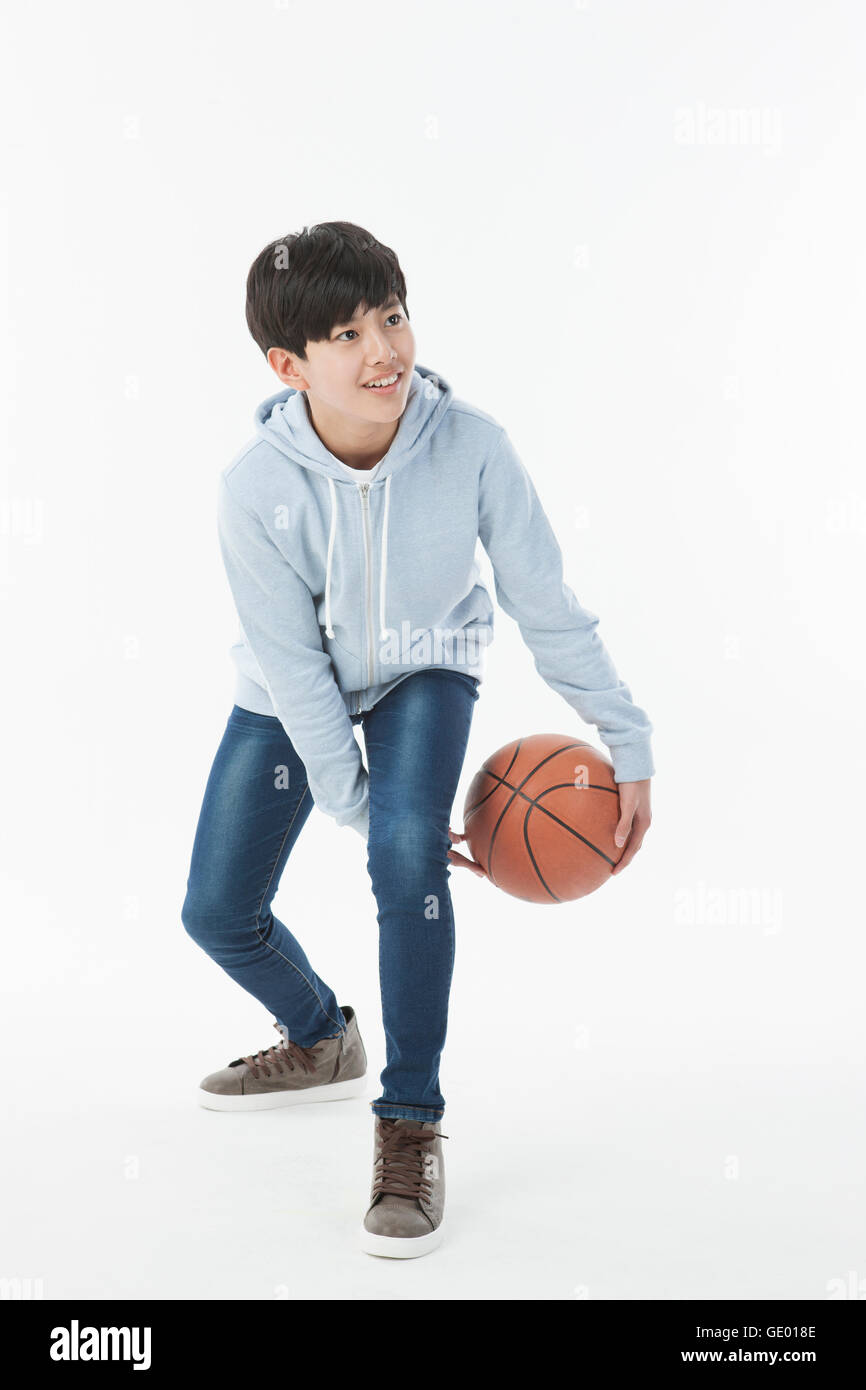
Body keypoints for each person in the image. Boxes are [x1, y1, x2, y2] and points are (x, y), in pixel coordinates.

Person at [181, 219, 655, 1260]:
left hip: (422, 665)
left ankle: (408, 1118)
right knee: (214, 911)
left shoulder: (472, 445)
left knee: (407, 856)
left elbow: (545, 603)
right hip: (294, 686)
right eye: (345, 334)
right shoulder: (251, 491)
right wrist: (351, 798)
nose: (382, 351)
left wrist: (624, 738)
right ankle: (319, 1036)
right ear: (287, 364)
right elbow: (295, 668)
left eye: (390, 317)